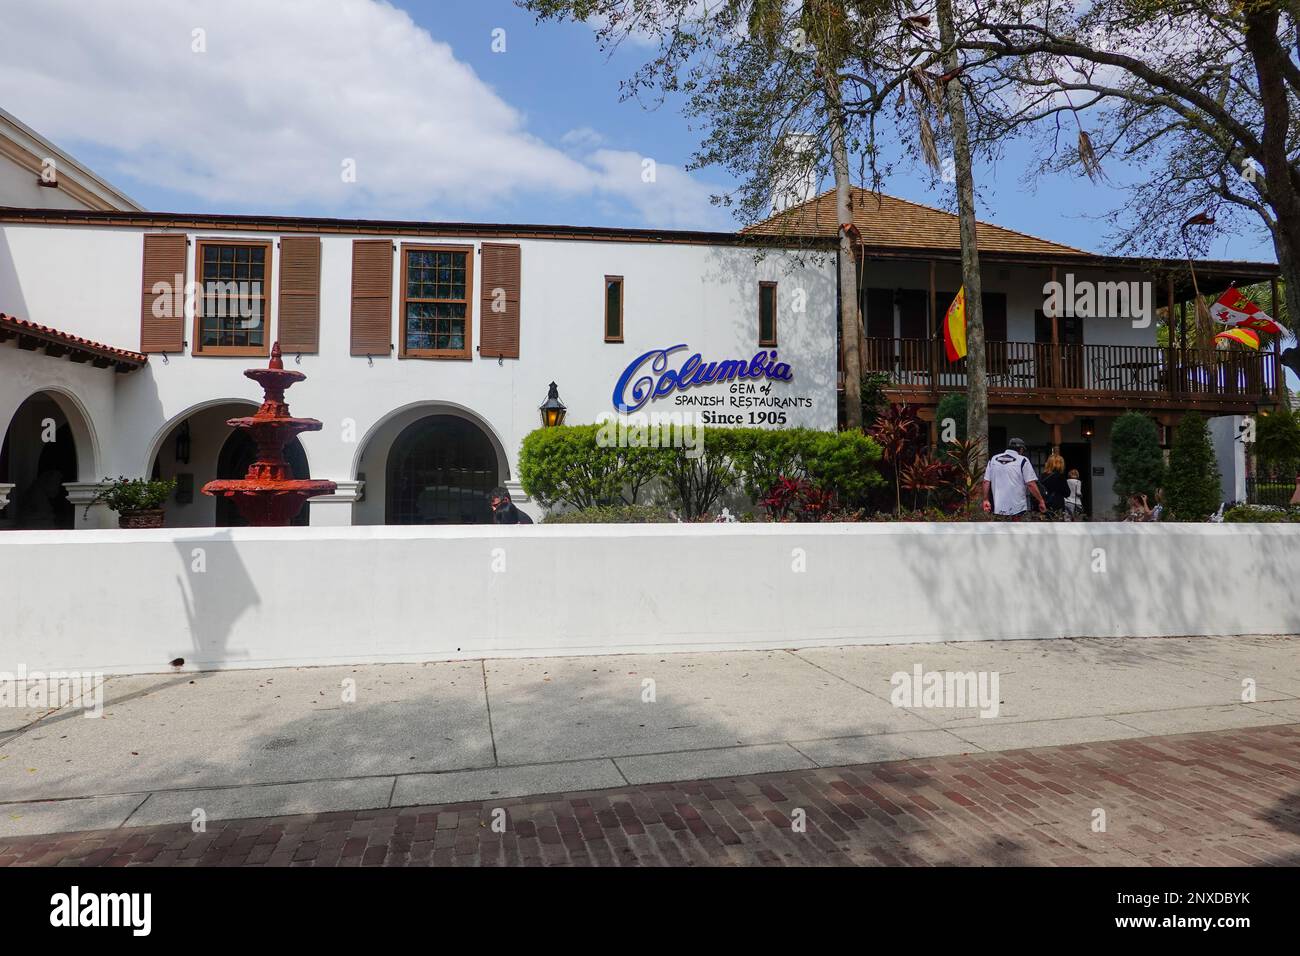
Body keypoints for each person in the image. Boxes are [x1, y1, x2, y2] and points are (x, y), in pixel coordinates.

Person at [981, 438, 1047, 519]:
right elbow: (1030, 484)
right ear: (1021, 449)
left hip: (998, 508)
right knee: (1017, 531)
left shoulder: (993, 459)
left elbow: (986, 481)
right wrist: (1041, 501)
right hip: (1018, 509)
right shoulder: (1023, 460)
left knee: (1001, 530)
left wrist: (985, 499)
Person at [1038, 453, 1069, 519]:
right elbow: (1067, 493)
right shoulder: (1060, 476)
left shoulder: (1042, 476)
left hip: (1043, 504)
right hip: (1057, 505)